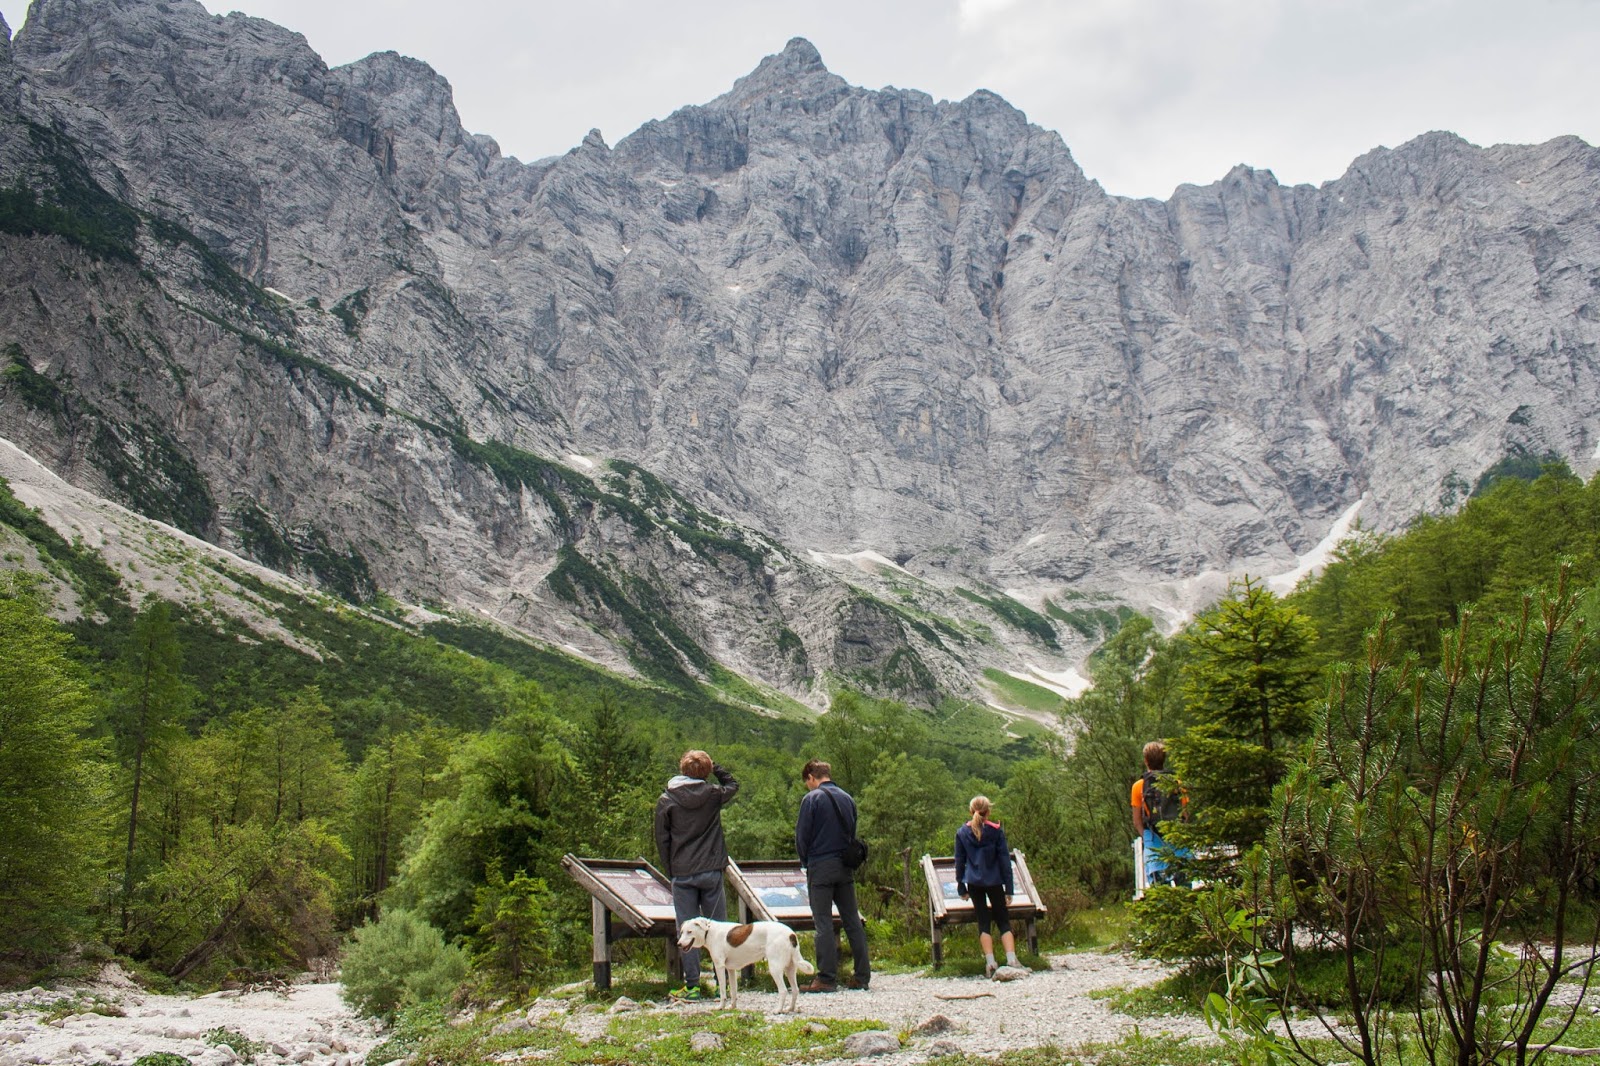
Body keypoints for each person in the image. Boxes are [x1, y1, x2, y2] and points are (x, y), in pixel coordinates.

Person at [655, 749, 739, 1000]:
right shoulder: (713, 794)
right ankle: (720, 982)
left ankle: (692, 986)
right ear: (706, 771)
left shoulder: (666, 799)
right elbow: (733, 785)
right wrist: (716, 767)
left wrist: (671, 870)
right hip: (711, 868)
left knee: (687, 931)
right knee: (718, 928)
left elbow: (662, 839)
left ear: (682, 769)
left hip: (682, 870)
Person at [794, 759, 870, 992]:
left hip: (820, 865)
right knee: (852, 922)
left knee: (823, 923)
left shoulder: (812, 799)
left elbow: (802, 836)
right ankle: (861, 976)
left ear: (811, 777)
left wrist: (805, 861)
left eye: (807, 782)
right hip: (844, 866)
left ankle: (826, 978)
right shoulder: (847, 798)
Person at [954, 795, 1019, 978]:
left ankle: (990, 963)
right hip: (995, 881)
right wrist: (1009, 888)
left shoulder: (962, 833)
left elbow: (960, 862)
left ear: (970, 811)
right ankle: (1011, 959)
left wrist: (961, 887)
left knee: (983, 921)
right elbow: (1004, 860)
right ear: (988, 811)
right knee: (1002, 919)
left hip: (974, 883)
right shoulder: (996, 832)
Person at [1132, 740, 1187, 888]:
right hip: (1177, 839)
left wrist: (1148, 837)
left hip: (1153, 836)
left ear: (1146, 761)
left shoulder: (1139, 786)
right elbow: (1185, 815)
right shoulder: (1177, 783)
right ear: (1164, 759)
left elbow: (1137, 821)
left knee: (1159, 888)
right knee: (1184, 886)